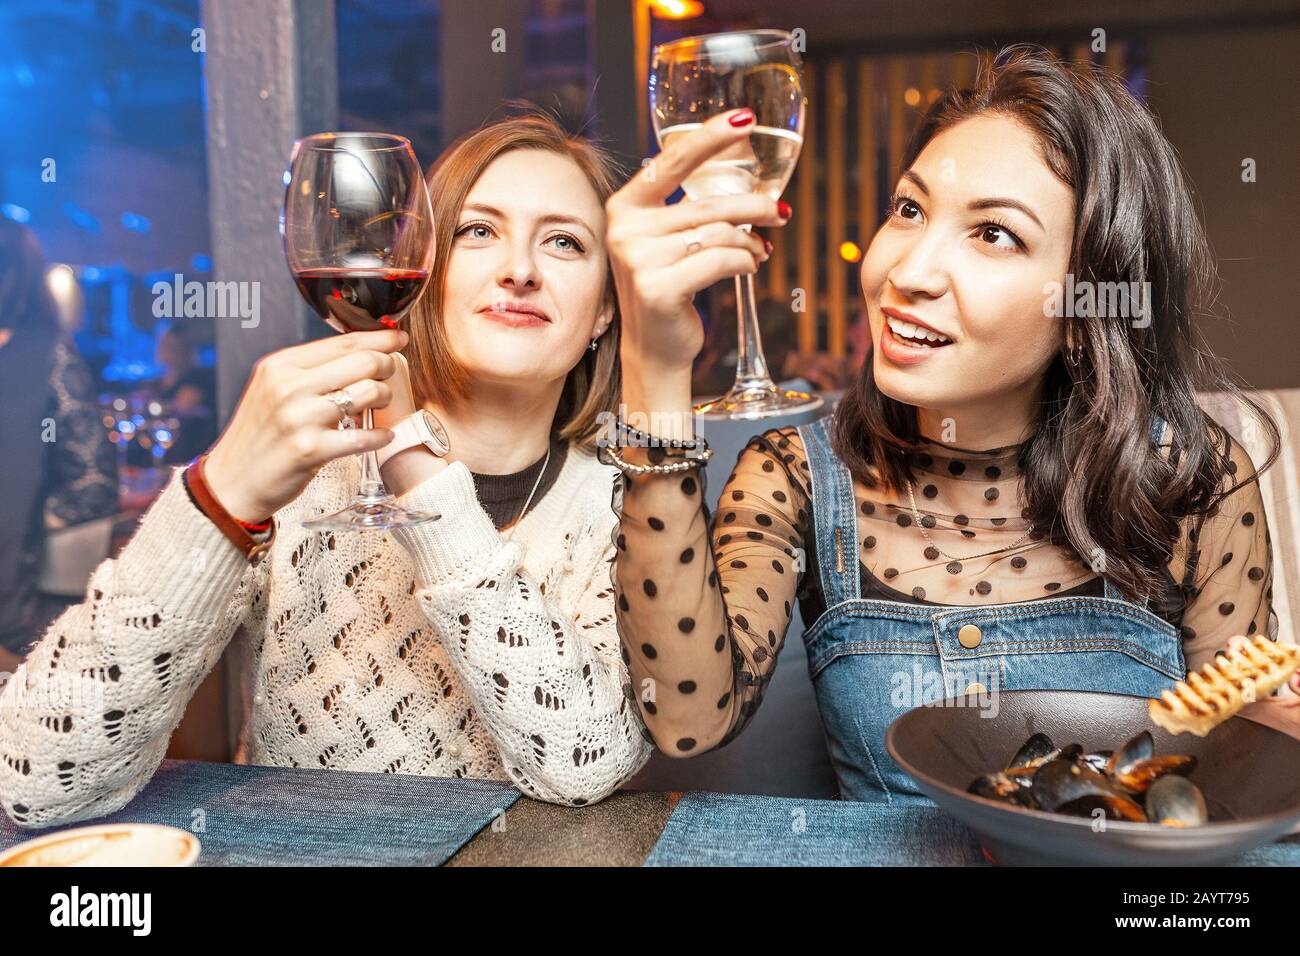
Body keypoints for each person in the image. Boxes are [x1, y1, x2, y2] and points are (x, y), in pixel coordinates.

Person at [604, 46, 1294, 801]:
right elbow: (683, 720)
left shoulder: (1192, 478)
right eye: (909, 209)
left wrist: (1274, 727)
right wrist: (654, 363)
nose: (909, 272)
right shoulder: (798, 473)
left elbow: (1234, 764)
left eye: (994, 233)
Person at [0, 111, 651, 829]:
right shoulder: (308, 473)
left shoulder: (629, 497)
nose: (519, 270)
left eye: (562, 241)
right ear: (425, 271)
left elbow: (586, 764)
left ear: (603, 312)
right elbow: (38, 779)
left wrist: (417, 471)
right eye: (478, 231)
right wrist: (222, 493)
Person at [0, 221, 117, 674]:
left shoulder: (42, 353)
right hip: (17, 604)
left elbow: (95, 486)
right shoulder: (46, 352)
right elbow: (95, 483)